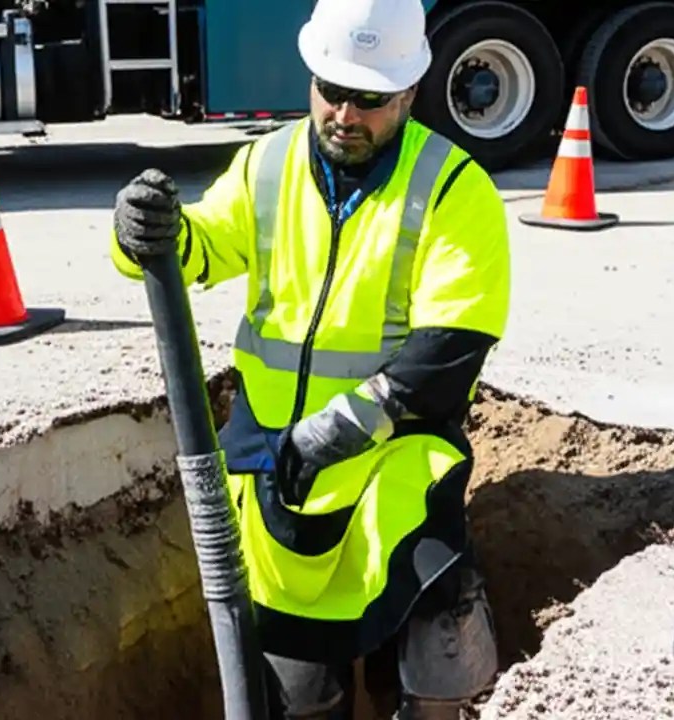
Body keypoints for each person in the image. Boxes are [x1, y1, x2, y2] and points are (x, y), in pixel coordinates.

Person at [109, 0, 510, 716]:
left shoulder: (453, 188)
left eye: (370, 99)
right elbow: (200, 246)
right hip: (279, 470)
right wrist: (146, 236)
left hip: (393, 465)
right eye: (331, 90)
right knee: (296, 686)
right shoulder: (266, 166)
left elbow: (451, 346)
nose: (345, 115)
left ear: (410, 93)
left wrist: (347, 424)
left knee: (435, 634)